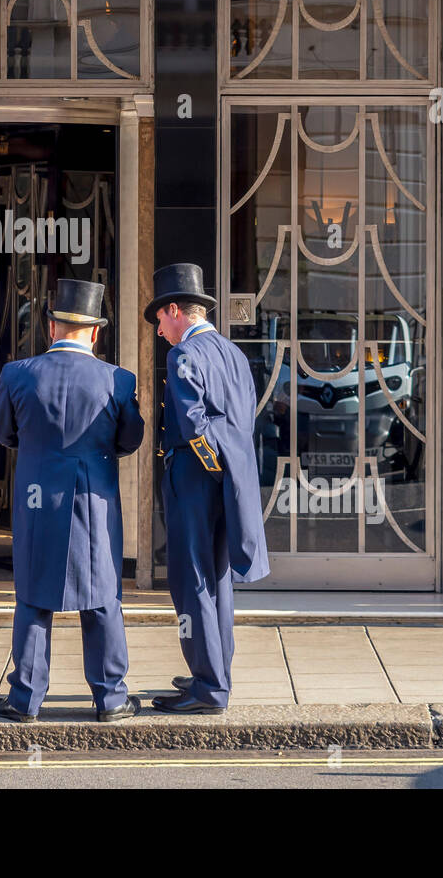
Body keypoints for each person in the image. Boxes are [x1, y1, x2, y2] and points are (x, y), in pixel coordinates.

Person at [0, 279, 145, 723]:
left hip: (37, 495)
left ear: (51, 326)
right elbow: (130, 438)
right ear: (95, 332)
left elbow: (2, 432)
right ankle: (110, 698)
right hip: (94, 497)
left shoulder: (17, 373)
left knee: (34, 596)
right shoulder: (118, 378)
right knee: (102, 597)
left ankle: (25, 699)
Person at [146, 263, 269, 714]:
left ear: (175, 310)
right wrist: (229, 472)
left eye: (161, 319)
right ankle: (215, 670)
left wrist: (211, 468)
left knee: (190, 578)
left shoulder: (183, 357)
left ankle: (208, 685)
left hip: (195, 478)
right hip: (231, 477)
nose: (160, 331)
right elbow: (246, 417)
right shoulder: (234, 354)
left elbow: (195, 425)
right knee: (218, 579)